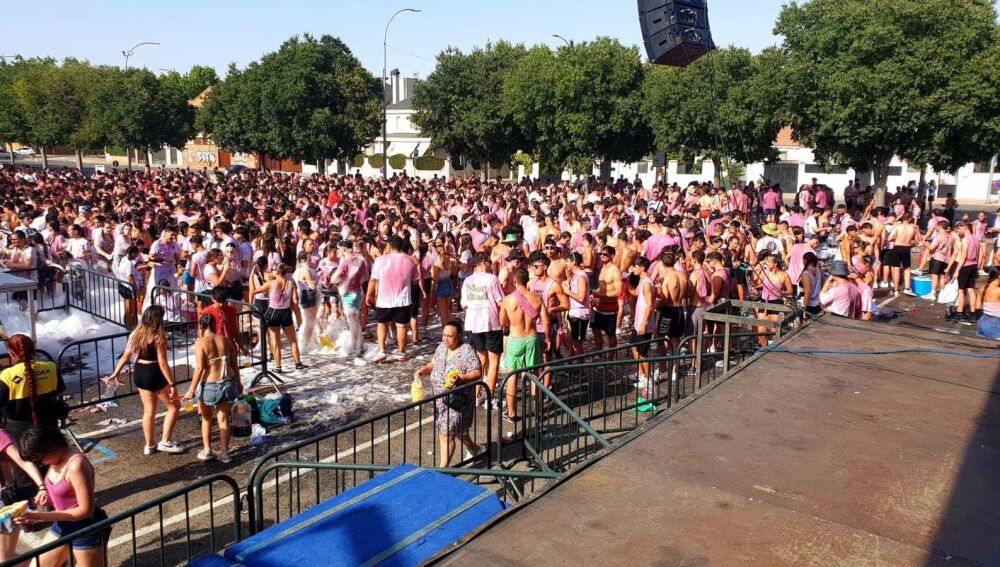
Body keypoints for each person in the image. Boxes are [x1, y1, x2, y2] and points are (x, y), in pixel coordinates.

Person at [16, 425, 110, 567]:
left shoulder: (76, 465)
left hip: (87, 528)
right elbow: (61, 489)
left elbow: (86, 510)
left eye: (39, 460)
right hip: (63, 524)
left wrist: (39, 517)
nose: (39, 464)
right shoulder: (56, 458)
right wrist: (45, 492)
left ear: (50, 448)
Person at [106, 305, 183, 455]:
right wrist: (172, 384)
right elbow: (162, 363)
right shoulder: (158, 336)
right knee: (174, 406)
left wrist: (116, 373)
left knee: (149, 410)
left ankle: (149, 445)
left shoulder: (136, 334)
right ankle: (165, 441)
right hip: (154, 372)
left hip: (139, 372)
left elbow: (125, 356)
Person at [412, 320, 483, 468]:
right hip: (441, 401)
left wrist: (461, 378)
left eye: (449, 336)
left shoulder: (467, 351)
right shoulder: (441, 348)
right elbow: (434, 363)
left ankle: (442, 469)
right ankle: (475, 449)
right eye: (444, 335)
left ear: (458, 336)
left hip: (457, 400)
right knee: (458, 430)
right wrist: (424, 370)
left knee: (446, 434)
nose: (445, 339)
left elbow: (477, 372)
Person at [183, 314, 242, 462]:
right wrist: (239, 382)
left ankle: (207, 449)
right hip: (228, 381)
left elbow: (200, 368)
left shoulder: (201, 343)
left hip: (209, 384)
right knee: (223, 419)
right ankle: (225, 452)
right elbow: (234, 364)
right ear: (215, 325)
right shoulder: (225, 340)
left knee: (206, 418)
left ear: (201, 326)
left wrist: (191, 390)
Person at [499, 268, 548, 422]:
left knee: (512, 375)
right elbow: (545, 321)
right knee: (535, 374)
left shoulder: (508, 300)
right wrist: (548, 339)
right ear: (527, 281)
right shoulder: (537, 299)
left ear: (514, 281)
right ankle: (538, 412)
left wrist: (511, 323)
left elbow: (502, 322)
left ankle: (511, 412)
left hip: (516, 338)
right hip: (532, 337)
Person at [0, 334, 66, 440]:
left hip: (18, 431)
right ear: (33, 350)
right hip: (49, 425)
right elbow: (60, 391)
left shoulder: (7, 375)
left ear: (11, 353)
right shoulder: (51, 367)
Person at [460, 252, 505, 407]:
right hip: (491, 323)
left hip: (473, 323)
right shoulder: (492, 279)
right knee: (493, 362)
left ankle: (477, 394)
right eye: (490, 263)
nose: (491, 266)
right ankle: (489, 396)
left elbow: (463, 304)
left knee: (480, 362)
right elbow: (501, 302)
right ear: (483, 262)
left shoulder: (467, 280)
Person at [0, 421, 49, 562]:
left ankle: (54, 563)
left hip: (4, 502)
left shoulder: (1, 436)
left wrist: (42, 486)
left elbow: (25, 462)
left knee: (6, 560)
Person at [367, 236, 418, 362]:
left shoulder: (380, 260)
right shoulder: (410, 260)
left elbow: (373, 279)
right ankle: (401, 353)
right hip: (403, 299)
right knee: (401, 326)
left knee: (382, 324)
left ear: (389, 246)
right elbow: (415, 280)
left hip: (384, 298)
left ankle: (382, 351)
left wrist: (369, 294)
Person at [249, 263, 306, 372]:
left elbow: (253, 292)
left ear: (277, 272)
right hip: (286, 313)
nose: (271, 271)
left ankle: (278, 366)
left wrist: (252, 278)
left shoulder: (271, 284)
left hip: (273, 312)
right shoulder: (291, 283)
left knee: (276, 341)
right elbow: (295, 302)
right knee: (293, 340)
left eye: (273, 270)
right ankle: (298, 363)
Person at [564, 252, 592, 358]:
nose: (566, 263)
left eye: (567, 261)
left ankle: (581, 367)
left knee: (577, 343)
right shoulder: (575, 276)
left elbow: (581, 297)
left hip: (580, 314)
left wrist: (568, 292)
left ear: (574, 262)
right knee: (573, 340)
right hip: (574, 312)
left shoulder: (581, 277)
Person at [293, 250, 320, 354]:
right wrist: (319, 278)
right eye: (309, 258)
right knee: (309, 321)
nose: (311, 259)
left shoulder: (298, 270)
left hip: (303, 295)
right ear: (304, 259)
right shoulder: (305, 269)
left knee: (307, 320)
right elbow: (312, 285)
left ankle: (306, 343)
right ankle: (305, 344)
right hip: (308, 295)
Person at [977, 269, 1000, 340]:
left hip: (982, 323)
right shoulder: (998, 290)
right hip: (994, 326)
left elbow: (977, 306)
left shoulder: (982, 288)